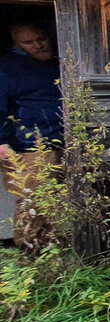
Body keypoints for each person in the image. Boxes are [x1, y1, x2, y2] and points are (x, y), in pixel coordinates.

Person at [0, 23, 63, 247]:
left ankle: (56, 254)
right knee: (33, 203)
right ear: (16, 44)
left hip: (60, 142)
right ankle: (33, 260)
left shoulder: (55, 64)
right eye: (28, 42)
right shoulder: (6, 69)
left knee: (58, 203)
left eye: (41, 38)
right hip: (26, 147)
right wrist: (1, 142)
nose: (38, 45)